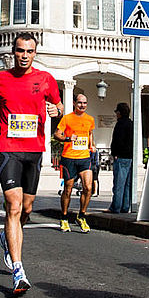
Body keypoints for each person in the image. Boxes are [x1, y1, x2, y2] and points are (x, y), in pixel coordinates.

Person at [0, 32, 63, 295]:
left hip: (34, 150)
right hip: (8, 149)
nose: (24, 55)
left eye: (29, 51)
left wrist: (56, 111)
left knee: (27, 208)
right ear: (13, 51)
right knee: (14, 206)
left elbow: (59, 105)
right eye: (20, 51)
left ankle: (8, 237)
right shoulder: (1, 78)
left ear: (35, 53)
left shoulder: (46, 79)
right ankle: (18, 271)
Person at [55, 92, 97, 232]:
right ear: (74, 103)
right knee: (68, 188)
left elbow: (90, 133)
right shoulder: (67, 119)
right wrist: (67, 139)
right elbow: (57, 134)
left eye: (85, 103)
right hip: (69, 158)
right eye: (79, 103)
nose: (82, 105)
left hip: (84, 157)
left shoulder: (90, 119)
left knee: (88, 187)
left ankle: (82, 216)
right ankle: (64, 217)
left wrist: (92, 145)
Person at [108, 101, 133, 213]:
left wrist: (115, 153)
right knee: (127, 185)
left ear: (120, 112)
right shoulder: (131, 124)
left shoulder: (120, 124)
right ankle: (125, 206)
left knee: (118, 184)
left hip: (121, 156)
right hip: (130, 157)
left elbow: (117, 141)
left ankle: (116, 207)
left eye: (117, 112)